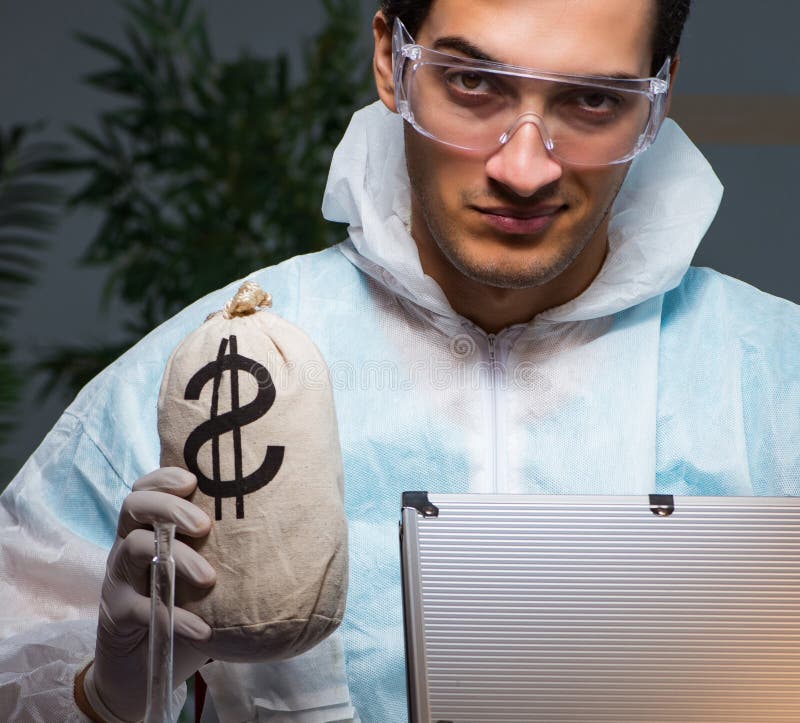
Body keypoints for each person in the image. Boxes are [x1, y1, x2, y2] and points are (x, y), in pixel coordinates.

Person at [2, 0, 799, 720]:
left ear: (660, 94)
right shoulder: (214, 367)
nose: (524, 169)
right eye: (473, 82)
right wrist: (104, 696)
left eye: (594, 100)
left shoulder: (773, 380)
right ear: (391, 60)